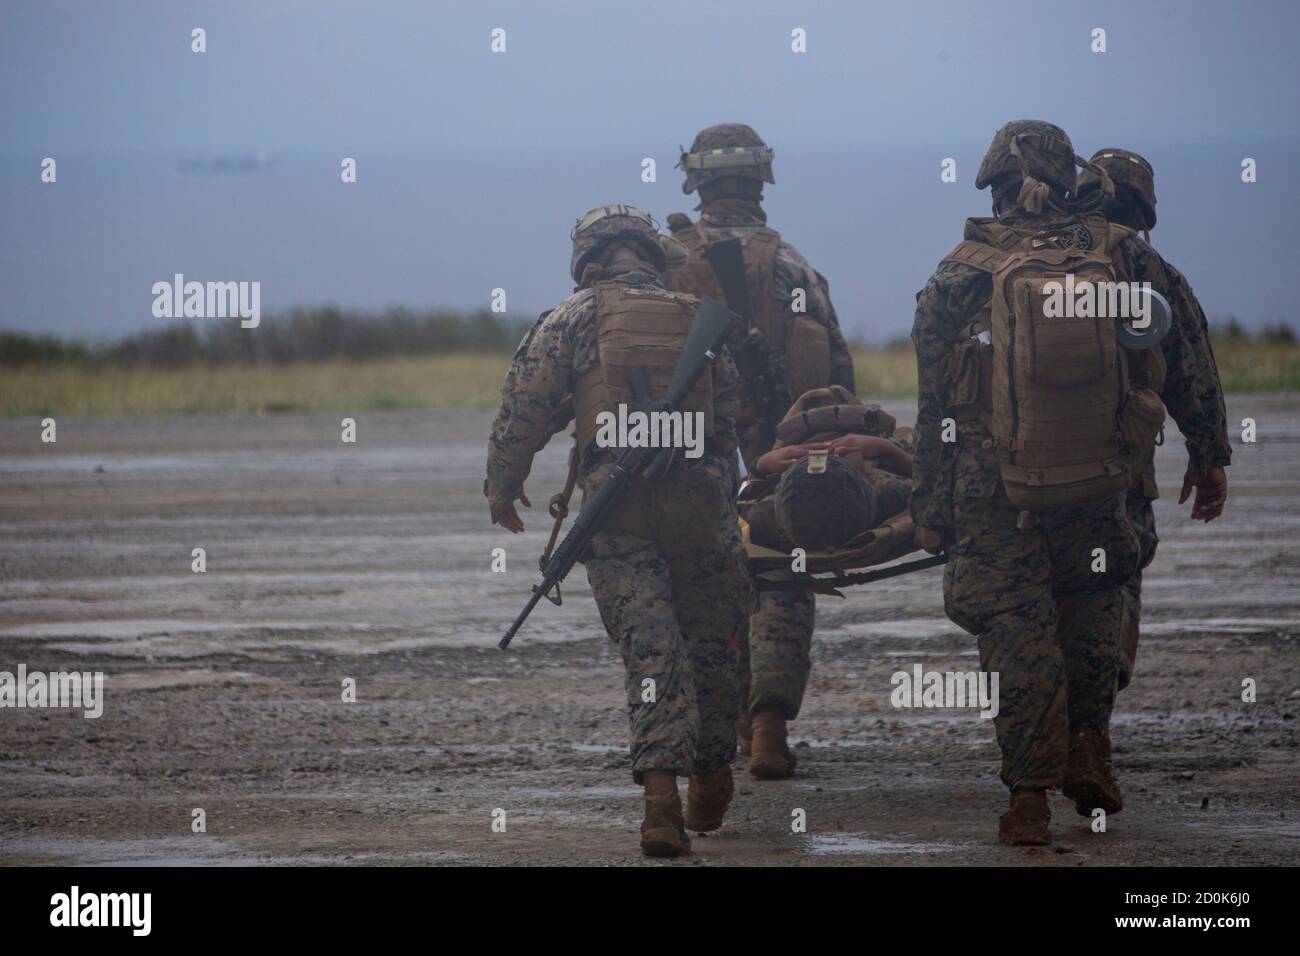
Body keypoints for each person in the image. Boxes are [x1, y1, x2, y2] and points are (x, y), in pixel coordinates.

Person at [910, 121, 1231, 846]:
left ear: (992, 184)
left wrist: (930, 503)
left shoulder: (959, 273)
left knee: (1018, 634)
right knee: (1091, 612)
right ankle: (1088, 747)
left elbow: (935, 408)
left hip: (994, 492)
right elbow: (1187, 354)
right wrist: (1209, 452)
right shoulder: (1126, 258)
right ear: (1072, 180)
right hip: (1101, 480)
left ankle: (1027, 799)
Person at [484, 204, 753, 857]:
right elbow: (731, 419)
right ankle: (712, 773)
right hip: (700, 506)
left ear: (587, 259)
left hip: (617, 511)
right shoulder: (697, 316)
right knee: (715, 644)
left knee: (651, 651)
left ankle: (661, 804)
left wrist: (503, 483)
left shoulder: (570, 319)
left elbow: (525, 408)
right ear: (648, 254)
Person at [663, 123, 856, 778]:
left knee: (702, 581)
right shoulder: (793, 265)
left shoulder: (665, 265)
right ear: (759, 181)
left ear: (698, 181)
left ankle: (720, 726)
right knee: (781, 571)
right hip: (782, 446)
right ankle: (769, 726)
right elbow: (837, 373)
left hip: (689, 452)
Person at [1077, 148, 1232, 692]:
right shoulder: (1149, 269)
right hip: (1116, 474)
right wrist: (1208, 457)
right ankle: (1089, 735)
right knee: (1113, 581)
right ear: (1145, 212)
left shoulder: (1029, 256)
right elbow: (1190, 370)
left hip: (1024, 469)